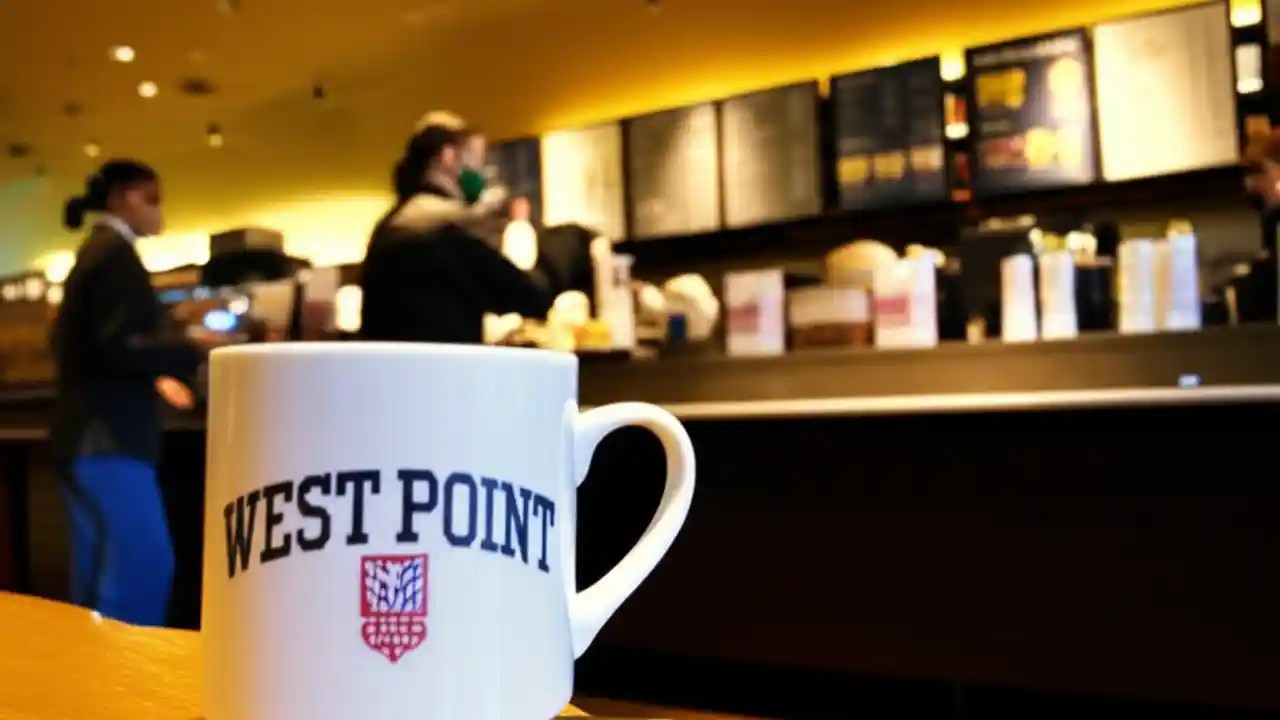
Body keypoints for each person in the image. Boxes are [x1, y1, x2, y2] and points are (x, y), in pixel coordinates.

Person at [51, 160, 205, 626]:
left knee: (98, 579)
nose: (159, 212)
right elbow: (120, 345)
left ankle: (89, 691)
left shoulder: (92, 254)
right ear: (120, 198)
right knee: (141, 570)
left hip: (83, 438)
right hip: (110, 439)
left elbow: (90, 344)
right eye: (151, 198)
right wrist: (192, 347)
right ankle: (125, 692)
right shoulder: (114, 255)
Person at [359, 112, 590, 343]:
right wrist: (567, 241)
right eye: (476, 161)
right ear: (448, 157)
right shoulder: (441, 227)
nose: (480, 175)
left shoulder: (391, 225)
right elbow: (527, 295)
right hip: (443, 372)